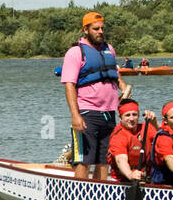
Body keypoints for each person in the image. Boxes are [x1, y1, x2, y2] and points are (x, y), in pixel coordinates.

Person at [59, 11, 126, 180]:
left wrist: (122, 85)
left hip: (109, 113)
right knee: (84, 160)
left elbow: (113, 72)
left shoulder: (109, 49)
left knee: (104, 160)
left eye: (102, 28)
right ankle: (78, 195)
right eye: (96, 29)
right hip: (87, 113)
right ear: (85, 29)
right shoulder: (75, 52)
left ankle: (100, 196)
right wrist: (75, 115)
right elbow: (69, 85)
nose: (100, 32)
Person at [107, 99, 157, 181]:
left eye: (134, 115)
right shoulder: (118, 136)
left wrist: (154, 123)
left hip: (144, 176)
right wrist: (130, 174)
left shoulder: (146, 127)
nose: (131, 119)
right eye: (127, 115)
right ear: (120, 117)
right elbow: (120, 159)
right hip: (122, 179)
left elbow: (163, 138)